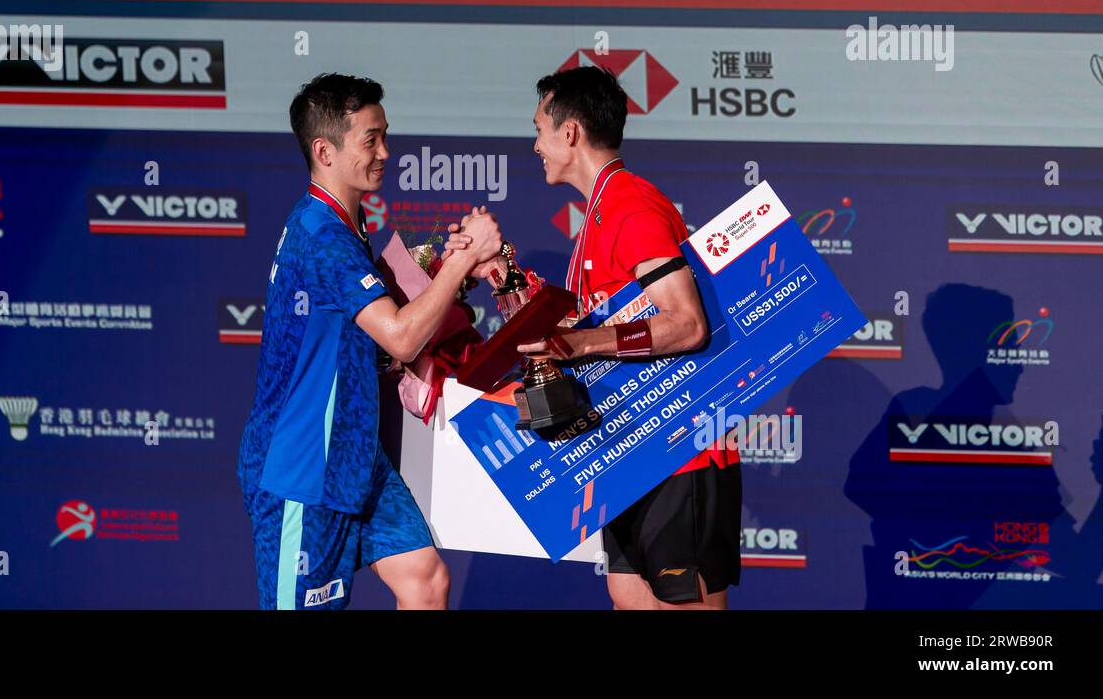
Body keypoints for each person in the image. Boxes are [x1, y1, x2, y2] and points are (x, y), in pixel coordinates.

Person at [456, 65, 742, 609]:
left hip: (681, 448)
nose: (534, 143)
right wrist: (500, 270)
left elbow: (686, 323)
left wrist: (584, 346)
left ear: (570, 132)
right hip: (631, 447)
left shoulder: (631, 205)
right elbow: (577, 328)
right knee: (628, 593)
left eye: (539, 128)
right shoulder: (601, 212)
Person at [238, 72, 501, 610]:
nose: (385, 152)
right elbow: (401, 338)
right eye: (370, 139)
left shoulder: (341, 224)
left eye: (385, 135)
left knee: (425, 583)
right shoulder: (323, 236)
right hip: (304, 471)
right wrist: (463, 263)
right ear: (324, 150)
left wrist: (445, 265)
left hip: (355, 458)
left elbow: (380, 313)